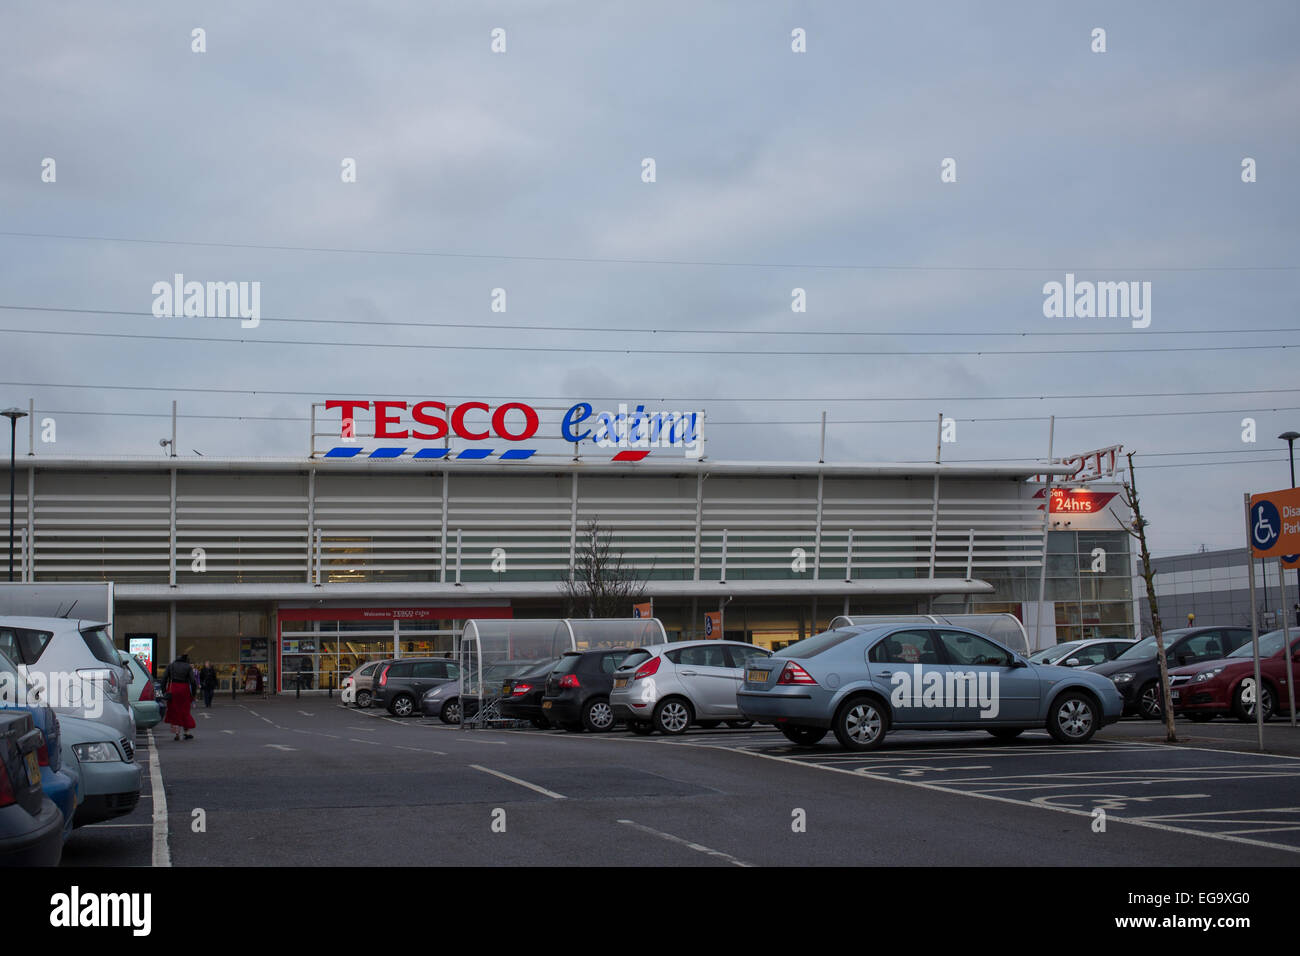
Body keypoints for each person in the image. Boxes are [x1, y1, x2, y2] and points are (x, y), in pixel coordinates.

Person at [162, 654, 197, 741]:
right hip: (184, 689)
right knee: (185, 711)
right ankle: (186, 732)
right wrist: (193, 694)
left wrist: (164, 691)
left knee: (174, 710)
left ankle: (177, 733)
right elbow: (193, 681)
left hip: (173, 688)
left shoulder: (171, 665)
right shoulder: (188, 667)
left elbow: (164, 678)